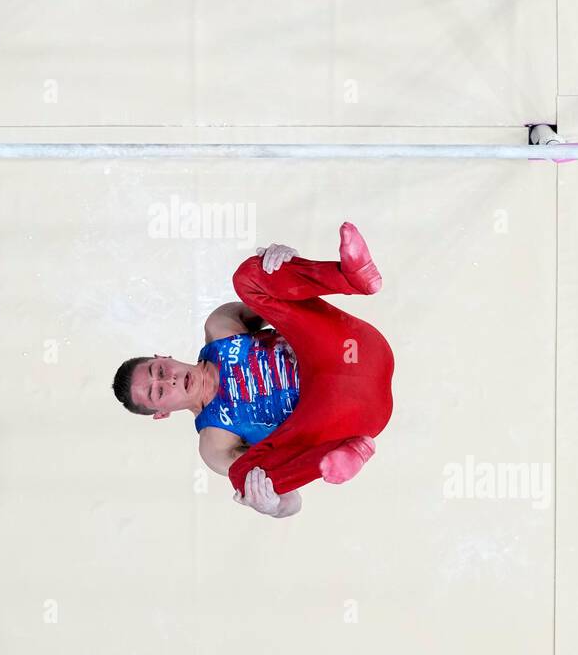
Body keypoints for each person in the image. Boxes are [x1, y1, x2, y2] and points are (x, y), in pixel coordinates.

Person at [111, 222, 395, 519]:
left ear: (164, 356)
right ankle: (341, 456)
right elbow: (291, 501)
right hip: (347, 415)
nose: (168, 380)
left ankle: (351, 277)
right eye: (159, 392)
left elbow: (282, 297)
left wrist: (283, 264)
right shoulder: (214, 443)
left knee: (248, 275)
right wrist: (273, 506)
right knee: (244, 477)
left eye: (159, 370)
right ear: (162, 413)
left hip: (351, 349)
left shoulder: (220, 326)